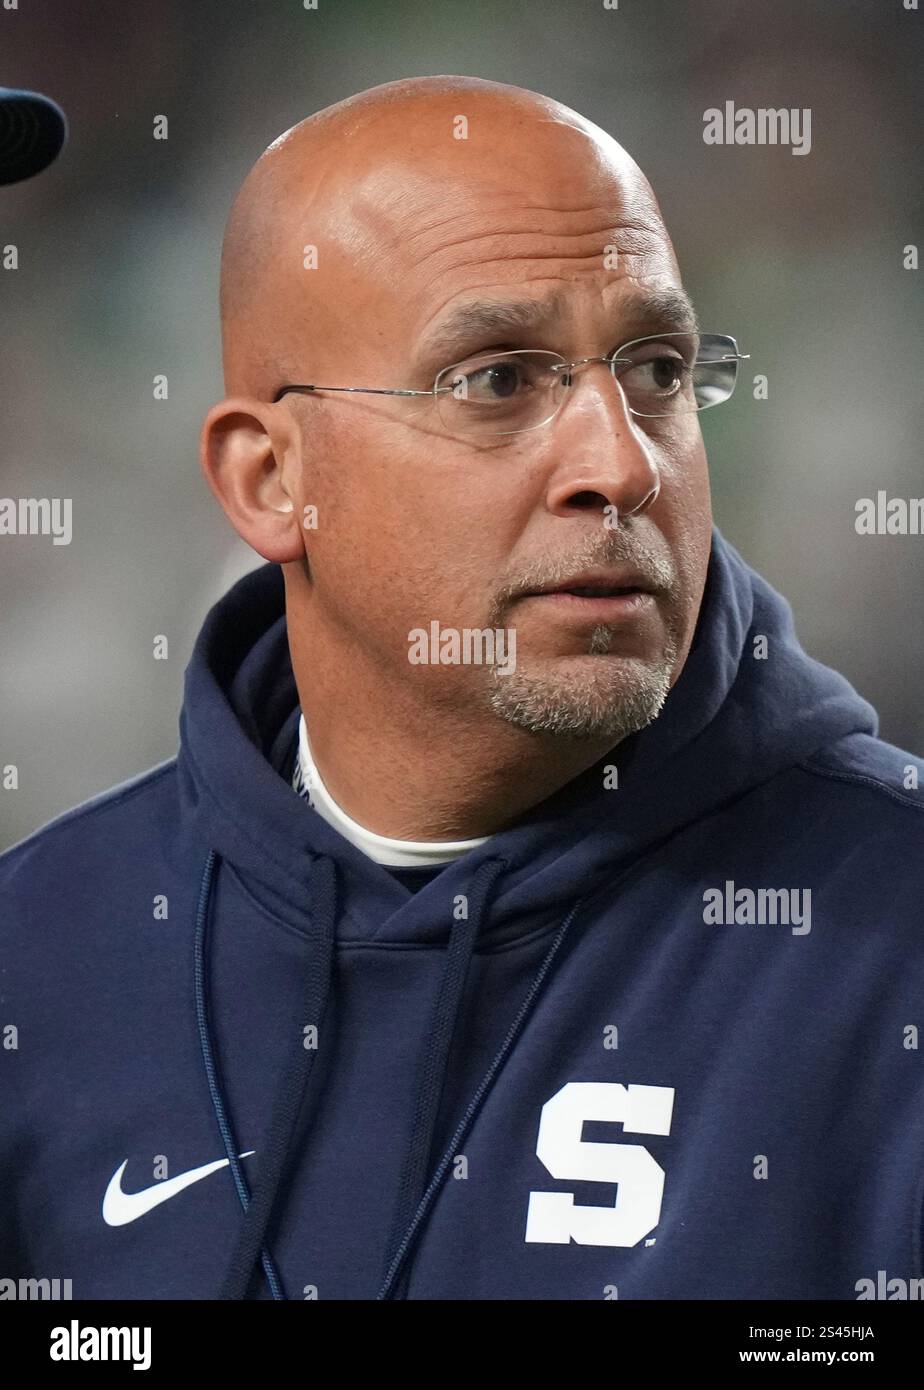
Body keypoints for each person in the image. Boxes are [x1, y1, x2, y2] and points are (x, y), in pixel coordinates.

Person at [2, 75, 922, 1303]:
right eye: (498, 380)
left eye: (657, 369)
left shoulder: (890, 939)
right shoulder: (41, 952)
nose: (620, 464)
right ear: (272, 481)